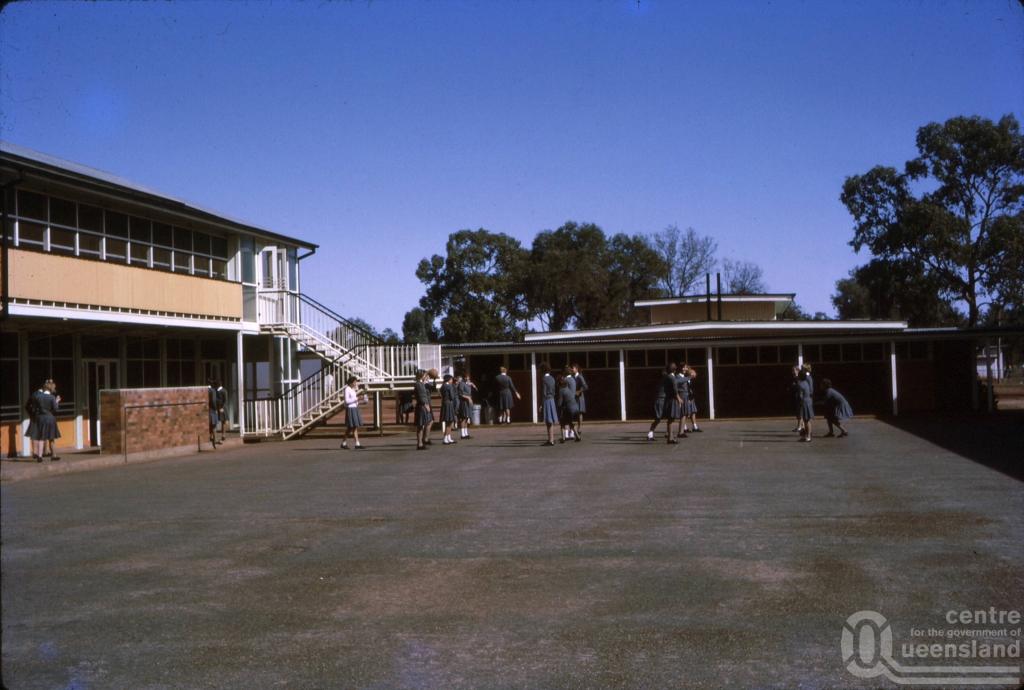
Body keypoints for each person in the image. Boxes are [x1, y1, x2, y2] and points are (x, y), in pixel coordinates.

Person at [27, 379, 61, 462]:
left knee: (41, 437)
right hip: (50, 418)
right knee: (51, 438)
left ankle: (40, 456)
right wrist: (57, 401)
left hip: (40, 418)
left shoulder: (38, 396)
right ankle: (53, 455)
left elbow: (34, 407)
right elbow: (55, 409)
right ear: (51, 389)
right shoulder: (52, 397)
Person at [339, 376, 366, 450]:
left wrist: (360, 401)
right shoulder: (347, 389)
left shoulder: (352, 389)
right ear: (351, 382)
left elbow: (354, 400)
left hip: (354, 408)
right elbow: (347, 401)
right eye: (354, 382)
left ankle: (344, 443)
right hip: (350, 408)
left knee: (352, 427)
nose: (355, 383)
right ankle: (356, 443)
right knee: (353, 427)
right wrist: (357, 398)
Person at [661, 363, 683, 444]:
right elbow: (675, 390)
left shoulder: (666, 377)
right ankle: (670, 438)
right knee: (671, 419)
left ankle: (670, 436)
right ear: (675, 369)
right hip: (672, 400)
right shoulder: (672, 377)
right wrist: (679, 398)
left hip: (668, 399)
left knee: (670, 419)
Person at [648, 364, 670, 441]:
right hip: (661, 399)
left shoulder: (667, 378)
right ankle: (650, 433)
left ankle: (668, 433)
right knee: (658, 418)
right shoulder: (664, 379)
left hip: (666, 399)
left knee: (669, 417)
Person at [413, 369, 433, 450]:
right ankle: (419, 444)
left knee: (425, 423)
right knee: (420, 425)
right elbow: (421, 396)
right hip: (422, 406)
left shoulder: (421, 384)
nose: (426, 376)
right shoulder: (419, 384)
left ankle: (421, 442)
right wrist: (426, 404)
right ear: (421, 375)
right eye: (425, 375)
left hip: (422, 406)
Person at [540, 362, 558, 446]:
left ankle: (550, 440)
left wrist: (541, 404)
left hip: (546, 400)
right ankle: (551, 439)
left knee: (548, 421)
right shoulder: (552, 378)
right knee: (550, 421)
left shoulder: (544, 379)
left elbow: (543, 392)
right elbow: (554, 391)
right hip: (552, 399)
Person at [558, 373, 580, 443]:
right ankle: (577, 436)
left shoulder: (561, 390)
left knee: (562, 422)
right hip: (575, 408)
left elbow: (560, 403)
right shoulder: (568, 389)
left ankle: (563, 438)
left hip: (569, 408)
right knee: (570, 422)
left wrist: (558, 406)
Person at [440, 374, 459, 444]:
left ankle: (448, 437)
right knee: (449, 421)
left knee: (448, 421)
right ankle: (446, 438)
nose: (452, 380)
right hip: (449, 404)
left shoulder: (443, 386)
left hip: (445, 403)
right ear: (448, 379)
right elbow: (452, 396)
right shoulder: (449, 386)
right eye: (451, 379)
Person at [797, 368, 815, 442]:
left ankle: (808, 436)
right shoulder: (806, 382)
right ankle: (807, 435)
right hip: (808, 401)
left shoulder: (800, 384)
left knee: (806, 421)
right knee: (807, 420)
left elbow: (800, 396)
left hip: (804, 402)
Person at [458, 373, 477, 439]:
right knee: (463, 418)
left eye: (468, 377)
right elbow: (460, 393)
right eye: (466, 377)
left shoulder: (468, 384)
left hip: (468, 402)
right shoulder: (461, 384)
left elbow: (473, 391)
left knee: (467, 417)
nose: (467, 379)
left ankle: (466, 433)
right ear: (464, 378)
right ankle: (462, 434)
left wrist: (473, 385)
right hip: (464, 402)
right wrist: (467, 397)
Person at [571, 363, 588, 435]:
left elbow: (585, 386)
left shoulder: (580, 377)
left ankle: (579, 428)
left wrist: (579, 391)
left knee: (579, 413)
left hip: (579, 397)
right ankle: (573, 429)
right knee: (573, 412)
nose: (572, 369)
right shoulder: (572, 377)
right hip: (574, 397)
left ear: (576, 369)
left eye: (573, 368)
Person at [561, 366, 577, 440]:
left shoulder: (566, 380)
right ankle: (572, 433)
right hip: (573, 401)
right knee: (571, 419)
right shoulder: (573, 379)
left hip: (567, 401)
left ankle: (566, 434)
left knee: (565, 419)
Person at [683, 368, 702, 432]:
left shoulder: (692, 381)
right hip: (686, 398)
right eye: (693, 374)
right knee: (686, 413)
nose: (694, 375)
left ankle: (695, 426)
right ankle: (684, 427)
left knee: (693, 412)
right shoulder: (685, 380)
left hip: (691, 398)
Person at [674, 365, 690, 440]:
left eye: (686, 367)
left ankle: (682, 430)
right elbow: (678, 382)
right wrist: (689, 377)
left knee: (685, 414)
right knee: (682, 414)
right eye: (683, 367)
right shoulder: (678, 376)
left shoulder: (685, 376)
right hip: (682, 395)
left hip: (686, 395)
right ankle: (680, 432)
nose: (685, 369)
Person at [790, 366, 804, 433]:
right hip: (797, 397)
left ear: (797, 371)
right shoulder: (795, 378)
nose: (793, 372)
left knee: (800, 412)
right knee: (799, 412)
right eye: (792, 370)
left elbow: (799, 387)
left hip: (800, 397)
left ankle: (799, 426)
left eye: (794, 370)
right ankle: (802, 426)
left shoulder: (798, 378)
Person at [206, 378, 219, 448]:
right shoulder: (212, 391)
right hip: (212, 409)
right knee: (214, 425)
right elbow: (213, 401)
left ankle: (211, 437)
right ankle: (214, 439)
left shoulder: (205, 390)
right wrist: (216, 409)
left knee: (210, 425)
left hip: (206, 410)